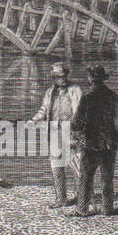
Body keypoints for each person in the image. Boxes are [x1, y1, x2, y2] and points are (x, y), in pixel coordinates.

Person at [31, 62, 83, 208]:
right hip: (54, 132)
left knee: (77, 167)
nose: (62, 79)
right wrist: (33, 121)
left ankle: (81, 199)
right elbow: (43, 110)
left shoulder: (75, 90)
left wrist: (77, 133)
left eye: (64, 75)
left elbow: (80, 112)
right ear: (53, 78)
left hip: (71, 132)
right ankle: (61, 199)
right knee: (56, 167)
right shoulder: (49, 92)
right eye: (59, 77)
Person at [72, 65, 118, 216]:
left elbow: (77, 123)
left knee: (85, 178)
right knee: (107, 178)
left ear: (91, 79)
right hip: (108, 143)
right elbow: (112, 118)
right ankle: (107, 209)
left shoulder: (87, 98)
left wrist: (76, 134)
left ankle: (82, 209)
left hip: (91, 143)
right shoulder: (112, 96)